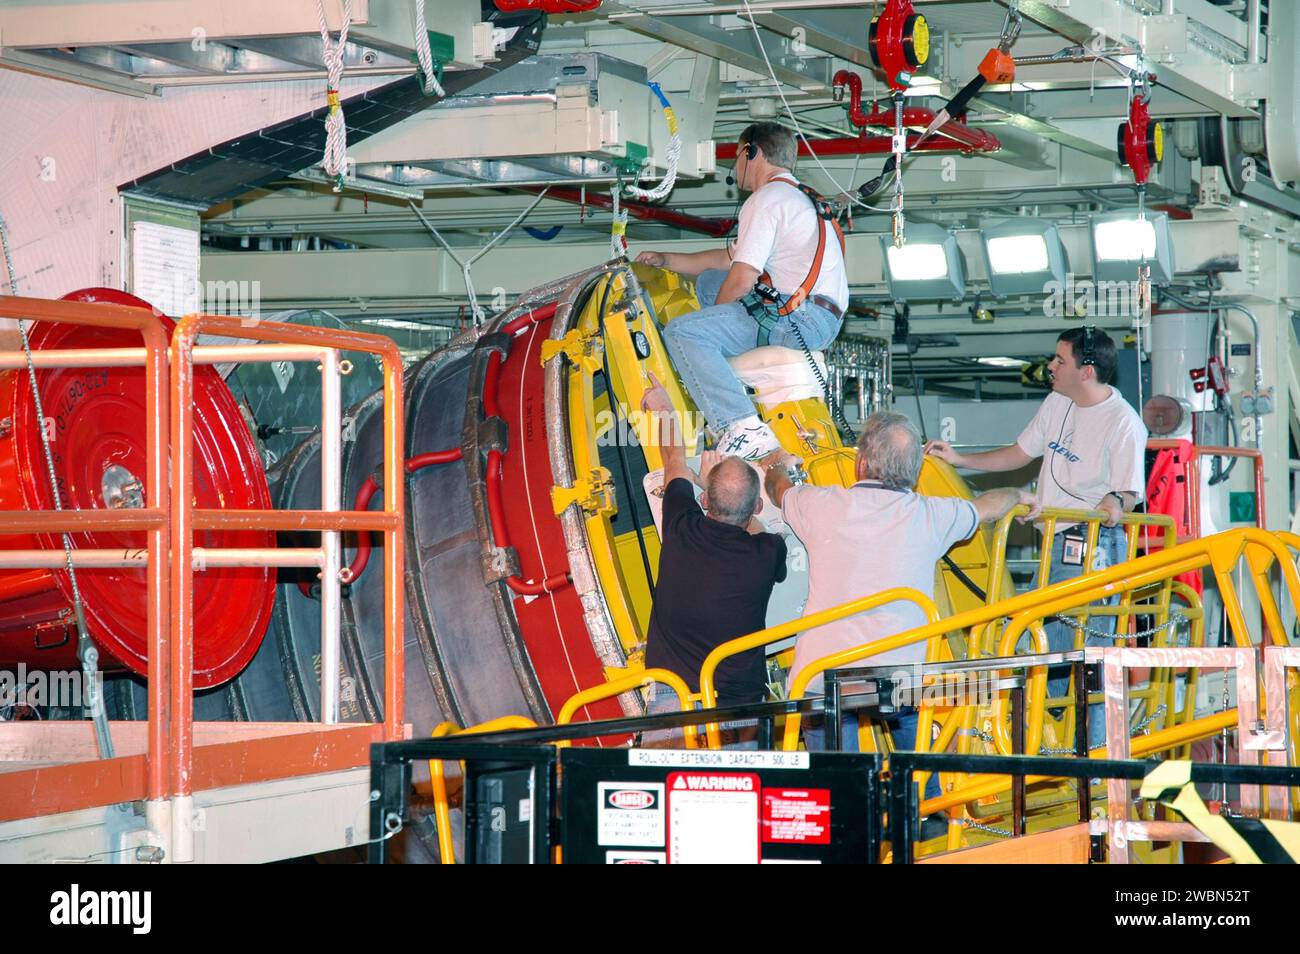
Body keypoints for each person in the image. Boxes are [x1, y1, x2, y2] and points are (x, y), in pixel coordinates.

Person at [763, 412, 1034, 771]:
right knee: (916, 748)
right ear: (916, 470)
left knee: (837, 776)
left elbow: (779, 490)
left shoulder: (821, 505)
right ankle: (927, 809)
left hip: (823, 678)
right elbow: (988, 507)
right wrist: (1019, 493)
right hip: (900, 679)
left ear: (861, 463)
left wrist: (775, 467)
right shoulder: (931, 515)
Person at [924, 327, 1148, 748]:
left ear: (1086, 371)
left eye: (1060, 361)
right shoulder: (1056, 404)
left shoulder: (1124, 424)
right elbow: (1019, 453)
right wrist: (958, 459)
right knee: (1042, 649)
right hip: (1055, 547)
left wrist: (1113, 502)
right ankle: (1048, 752)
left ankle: (1096, 766)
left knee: (1089, 659)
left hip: (1093, 547)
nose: (1050, 366)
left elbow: (1128, 495)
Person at [636, 122, 848, 462]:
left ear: (752, 152)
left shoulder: (765, 200)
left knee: (684, 332)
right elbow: (727, 260)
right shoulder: (796, 197)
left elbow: (743, 277)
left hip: (800, 320)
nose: (735, 166)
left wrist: (710, 321)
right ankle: (720, 376)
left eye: (738, 156)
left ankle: (740, 427)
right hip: (815, 317)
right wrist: (666, 260)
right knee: (709, 281)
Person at [639, 374, 788, 745]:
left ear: (704, 502)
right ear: (755, 506)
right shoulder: (767, 553)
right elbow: (757, 527)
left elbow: (672, 458)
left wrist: (664, 407)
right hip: (739, 718)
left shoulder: (680, 528)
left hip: (674, 704)